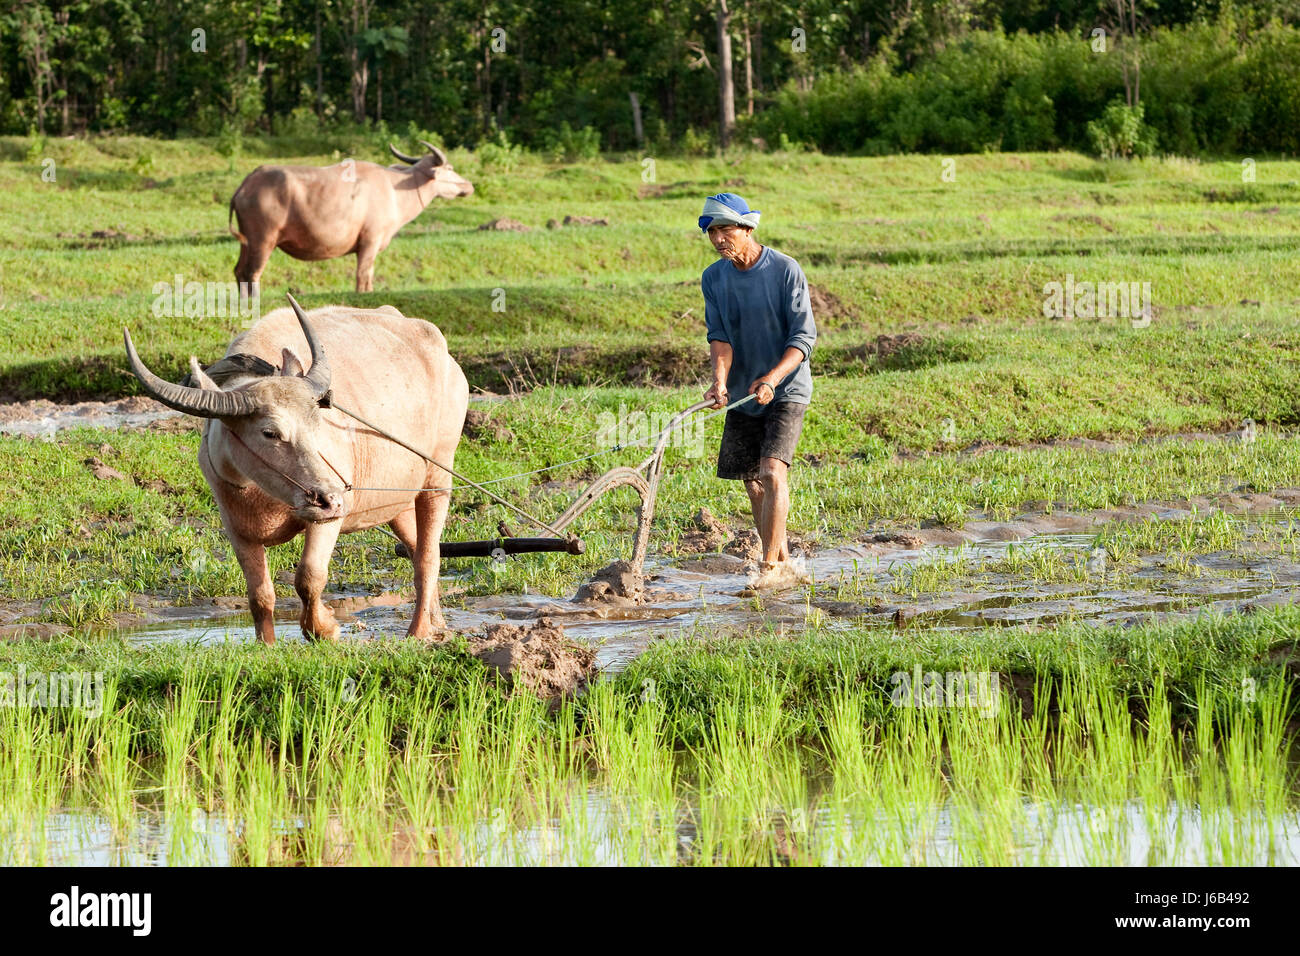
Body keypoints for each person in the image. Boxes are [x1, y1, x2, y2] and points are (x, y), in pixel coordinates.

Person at [698, 192, 816, 590]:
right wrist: (718, 381)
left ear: (747, 228)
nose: (717, 239)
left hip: (786, 387)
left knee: (771, 471)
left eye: (724, 230)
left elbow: (802, 339)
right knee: (752, 481)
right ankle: (782, 560)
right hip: (744, 391)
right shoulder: (713, 278)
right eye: (711, 232)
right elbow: (720, 338)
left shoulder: (785, 269)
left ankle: (767, 571)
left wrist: (772, 378)